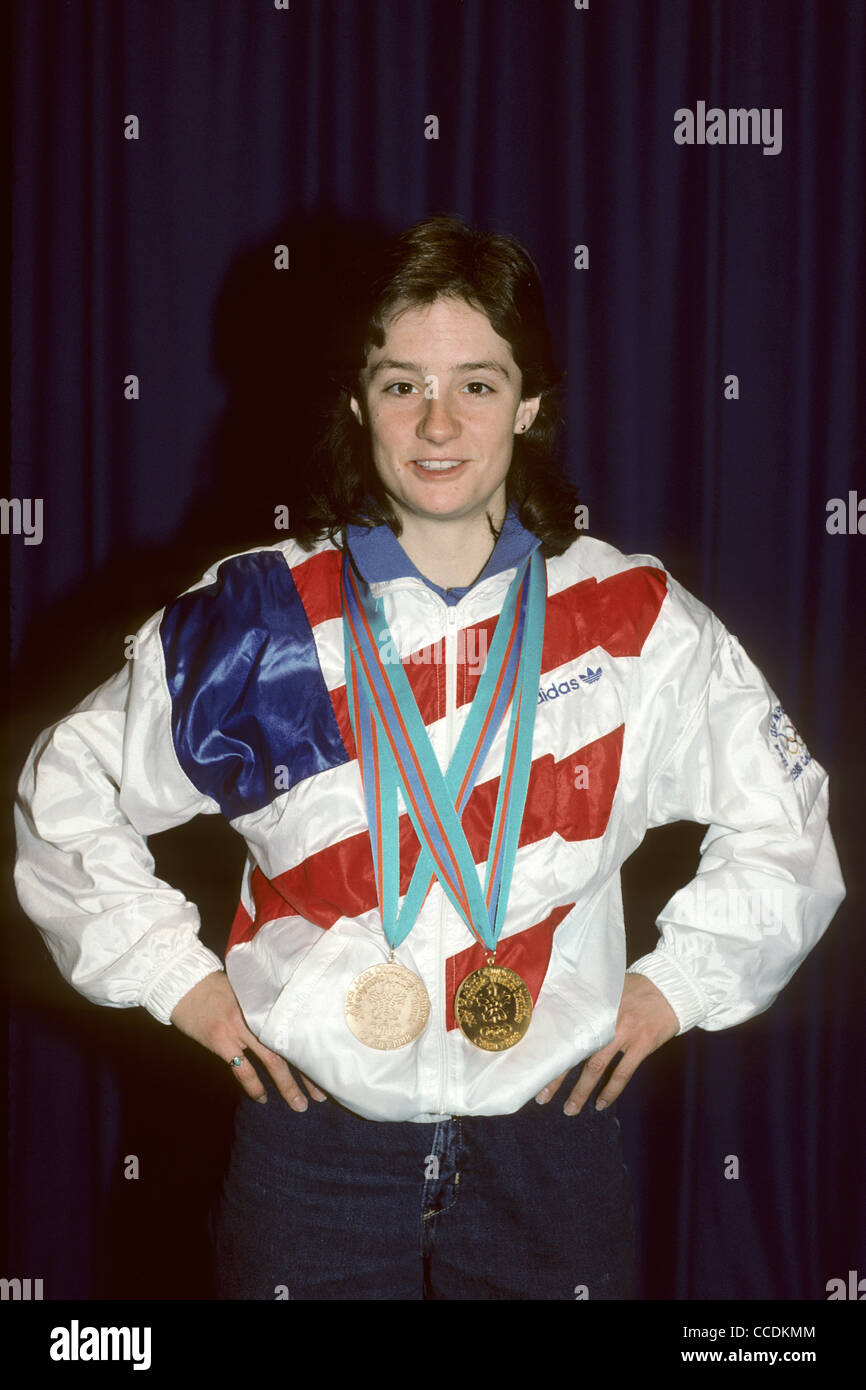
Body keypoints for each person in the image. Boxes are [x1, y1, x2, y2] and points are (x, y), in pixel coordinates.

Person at [14, 215, 845, 1301]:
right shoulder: (262, 620)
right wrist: (178, 980)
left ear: (531, 402)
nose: (438, 422)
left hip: (550, 1145)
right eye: (402, 384)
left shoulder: (632, 619)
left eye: (478, 385)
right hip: (310, 1146)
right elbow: (63, 799)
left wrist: (675, 982)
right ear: (358, 402)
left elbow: (786, 828)